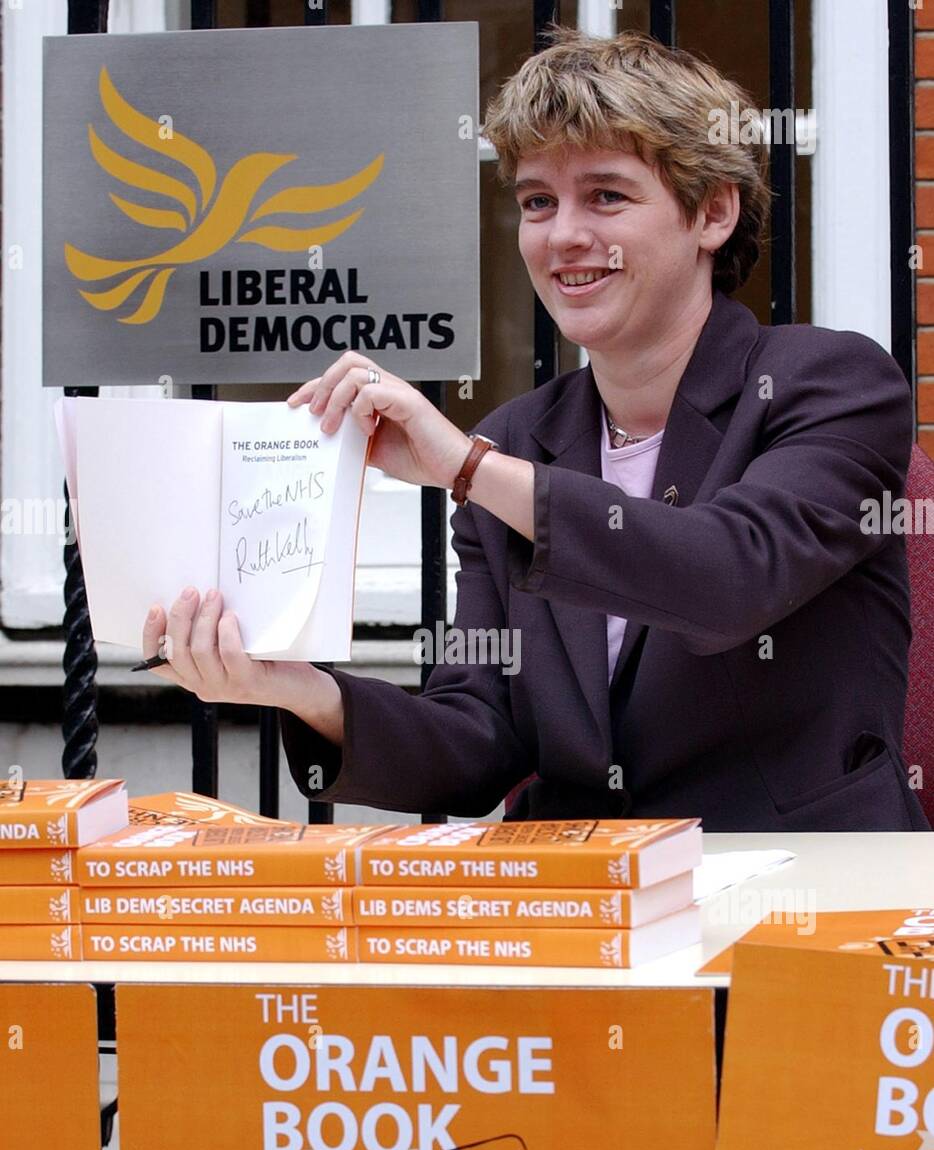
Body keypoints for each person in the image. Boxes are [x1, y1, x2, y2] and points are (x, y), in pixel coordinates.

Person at [140, 27, 928, 832]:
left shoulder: (831, 382)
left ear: (713, 213)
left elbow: (730, 579)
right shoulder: (520, 438)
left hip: (805, 890)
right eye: (537, 202)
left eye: (607, 196)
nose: (563, 236)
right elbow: (478, 738)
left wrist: (471, 468)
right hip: (583, 902)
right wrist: (295, 686)